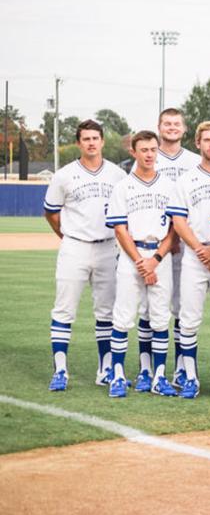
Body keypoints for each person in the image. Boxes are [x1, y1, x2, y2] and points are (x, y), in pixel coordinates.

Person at [43, 120, 126, 391]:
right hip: (75, 246)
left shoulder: (117, 175)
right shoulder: (64, 175)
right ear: (79, 143)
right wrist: (66, 236)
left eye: (95, 138)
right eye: (86, 138)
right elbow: (51, 213)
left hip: (107, 246)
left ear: (102, 141)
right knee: (64, 309)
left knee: (106, 311)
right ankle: (60, 370)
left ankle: (104, 369)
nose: (91, 143)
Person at [104, 131, 178, 398]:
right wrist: (140, 262)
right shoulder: (122, 187)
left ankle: (158, 376)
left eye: (153, 149)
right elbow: (120, 229)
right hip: (131, 255)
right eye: (143, 150)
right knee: (123, 317)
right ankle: (118, 375)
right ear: (133, 153)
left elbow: (175, 229)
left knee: (160, 318)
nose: (149, 154)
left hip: (160, 256)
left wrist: (155, 260)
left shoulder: (169, 186)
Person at [165, 121, 210, 399]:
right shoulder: (185, 179)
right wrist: (199, 249)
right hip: (194, 256)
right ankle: (190, 377)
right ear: (197, 143)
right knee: (188, 319)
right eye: (206, 140)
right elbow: (178, 220)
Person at [140, 108, 199, 392]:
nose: (172, 127)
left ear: (184, 129)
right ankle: (146, 368)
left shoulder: (195, 161)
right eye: (167, 123)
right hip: (155, 245)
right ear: (159, 126)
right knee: (149, 307)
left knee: (180, 308)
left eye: (177, 123)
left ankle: (179, 368)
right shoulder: (148, 155)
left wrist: (180, 237)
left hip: (185, 246)